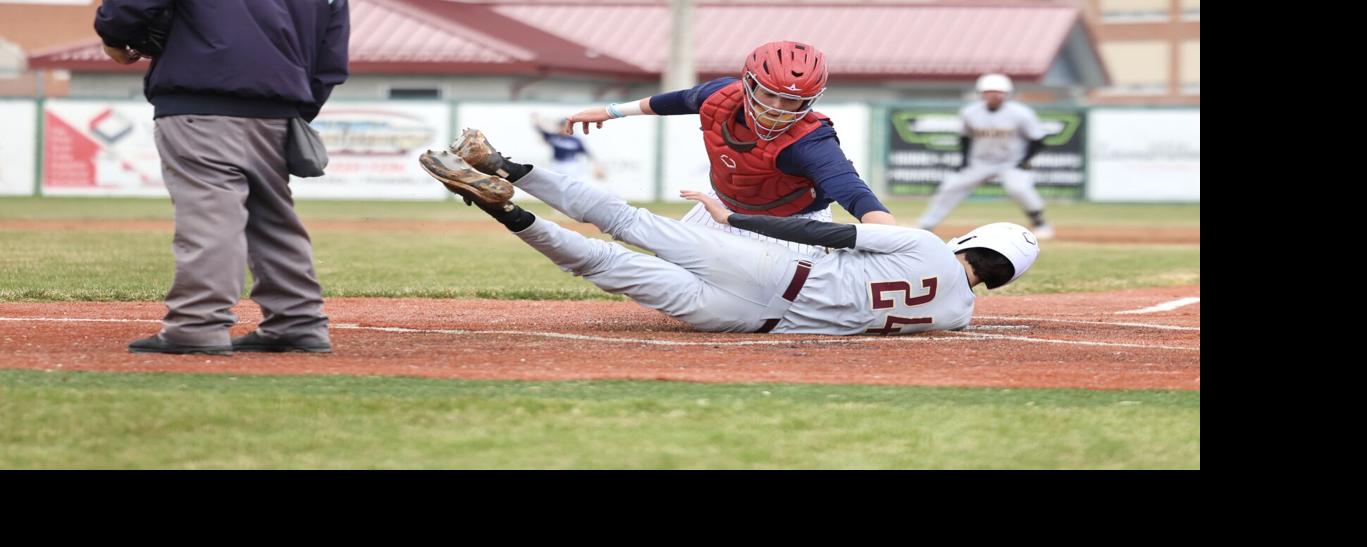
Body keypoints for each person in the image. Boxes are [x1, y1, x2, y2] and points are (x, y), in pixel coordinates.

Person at [420, 130, 1036, 335]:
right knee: (600, 265)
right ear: (1000, 281)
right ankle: (504, 210)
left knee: (628, 222)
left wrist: (731, 217)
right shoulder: (959, 316)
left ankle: (504, 169)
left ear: (970, 241)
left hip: (775, 271)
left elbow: (823, 236)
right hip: (748, 321)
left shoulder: (929, 244)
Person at [95, 0, 350, 354]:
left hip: (200, 99)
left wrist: (114, 36)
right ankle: (298, 323)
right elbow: (330, 57)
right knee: (273, 221)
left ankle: (197, 324)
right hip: (279, 108)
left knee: (210, 216)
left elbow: (128, 8)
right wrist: (292, 107)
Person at [559, 40, 896, 246]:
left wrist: (892, 236)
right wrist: (612, 110)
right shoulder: (719, 96)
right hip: (717, 207)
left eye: (791, 102)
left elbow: (853, 192)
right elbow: (676, 100)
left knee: (764, 307)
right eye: (769, 95)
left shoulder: (811, 140)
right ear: (749, 83)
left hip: (793, 224)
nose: (777, 109)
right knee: (671, 282)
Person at [916, 73, 1056, 239]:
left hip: (1011, 162)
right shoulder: (970, 112)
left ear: (1007, 94)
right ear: (981, 93)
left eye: (998, 92)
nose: (994, 95)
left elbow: (1038, 139)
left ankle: (1041, 224)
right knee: (950, 187)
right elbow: (965, 137)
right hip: (980, 161)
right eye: (989, 91)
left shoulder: (1020, 113)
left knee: (1019, 188)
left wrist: (1025, 161)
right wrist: (964, 161)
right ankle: (925, 226)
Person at [532, 112, 606, 180]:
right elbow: (540, 130)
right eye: (561, 126)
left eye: (565, 126)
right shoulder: (554, 136)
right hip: (557, 163)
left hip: (571, 164)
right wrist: (536, 119)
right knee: (556, 182)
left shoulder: (575, 140)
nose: (563, 128)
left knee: (572, 182)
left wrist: (597, 165)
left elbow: (587, 153)